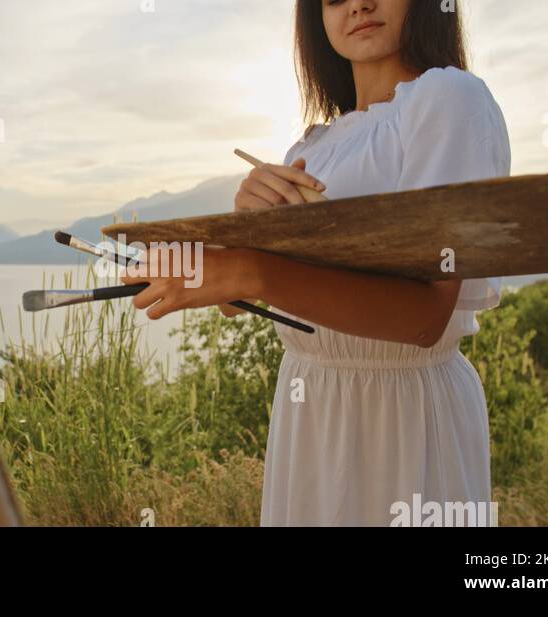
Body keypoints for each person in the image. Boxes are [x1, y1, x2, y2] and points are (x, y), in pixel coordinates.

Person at [121, 0, 510, 526]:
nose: (359, 5)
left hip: (404, 416)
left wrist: (251, 269)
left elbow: (425, 319)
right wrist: (243, 238)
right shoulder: (316, 144)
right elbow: (246, 304)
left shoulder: (447, 98)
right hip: (309, 406)